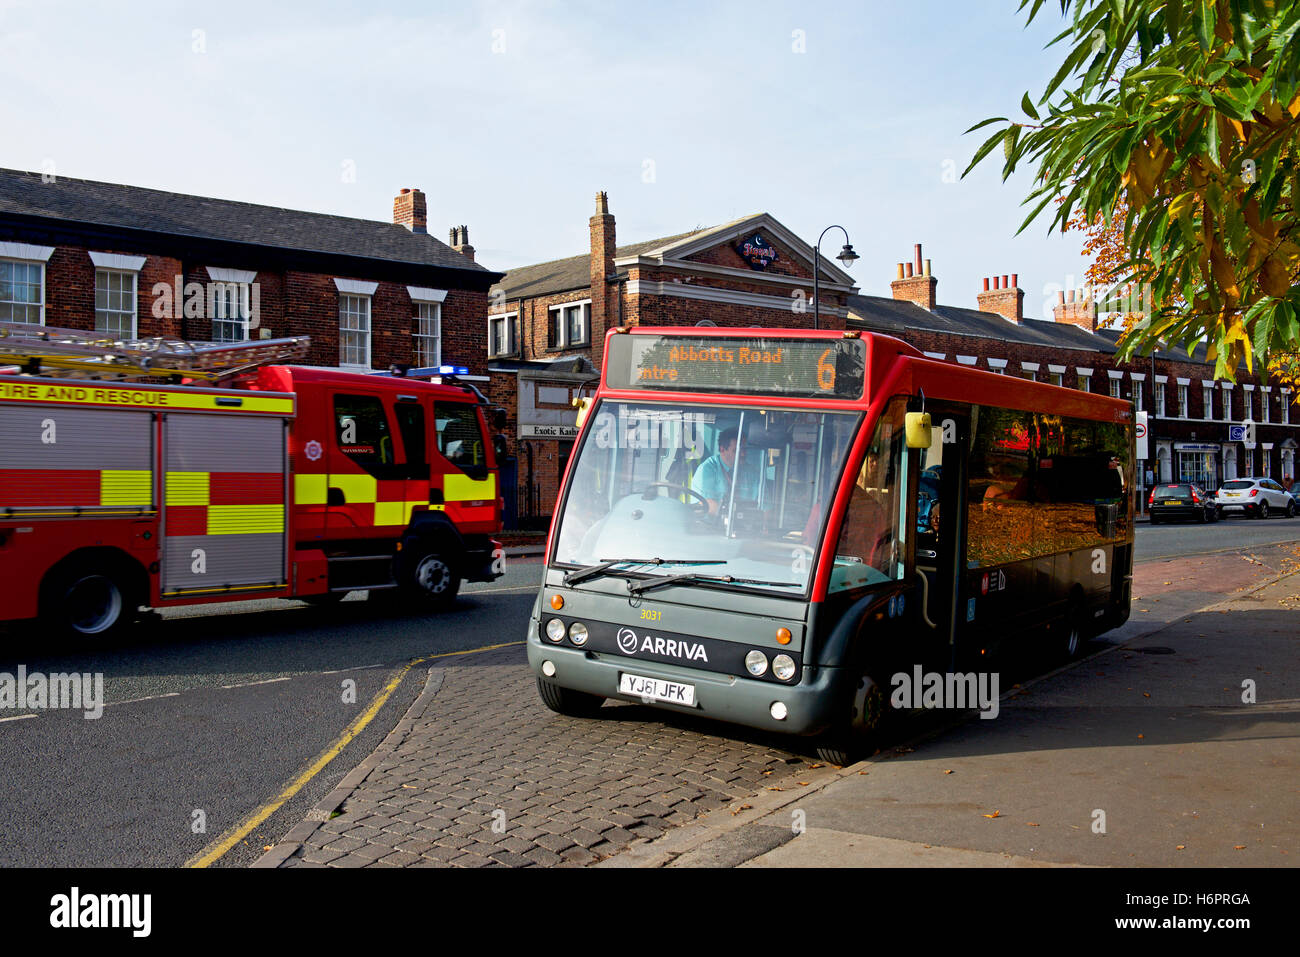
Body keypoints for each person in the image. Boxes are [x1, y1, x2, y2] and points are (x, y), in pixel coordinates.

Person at [691, 427, 740, 516]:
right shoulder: (707, 469)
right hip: (708, 523)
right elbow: (708, 505)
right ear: (722, 449)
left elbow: (766, 507)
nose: (743, 454)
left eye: (744, 450)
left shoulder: (751, 472)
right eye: (736, 450)